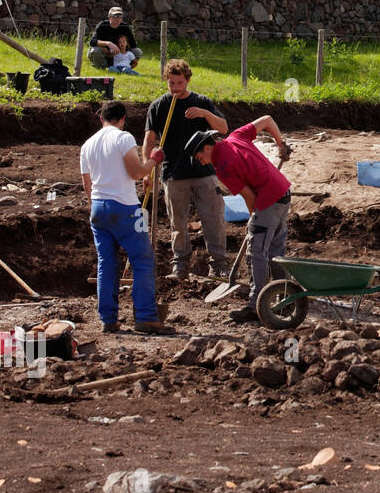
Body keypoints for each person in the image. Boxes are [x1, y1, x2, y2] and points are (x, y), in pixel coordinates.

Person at [186, 117, 293, 323]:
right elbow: (269, 120)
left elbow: (250, 197)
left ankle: (256, 307)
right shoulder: (235, 136)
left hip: (269, 200)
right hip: (284, 193)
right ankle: (285, 298)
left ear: (207, 148)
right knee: (275, 253)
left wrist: (253, 221)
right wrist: (281, 145)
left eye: (199, 157)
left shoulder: (223, 168)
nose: (201, 162)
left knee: (256, 253)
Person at [79, 101, 173, 334]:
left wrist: (99, 204)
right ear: (122, 119)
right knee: (143, 260)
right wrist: (154, 159)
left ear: (102, 119)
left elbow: (86, 183)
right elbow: (136, 172)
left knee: (106, 264)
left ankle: (108, 320)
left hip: (98, 208)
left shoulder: (87, 144)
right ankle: (146, 317)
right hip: (126, 208)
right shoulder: (123, 139)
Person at [142, 59, 229, 281]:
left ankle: (218, 265)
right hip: (173, 174)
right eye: (171, 83)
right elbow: (149, 138)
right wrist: (146, 169)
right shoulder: (159, 106)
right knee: (177, 223)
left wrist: (204, 114)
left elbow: (224, 128)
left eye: (179, 83)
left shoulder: (202, 102)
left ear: (187, 80)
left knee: (213, 219)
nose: (175, 88)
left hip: (205, 173)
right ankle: (180, 266)